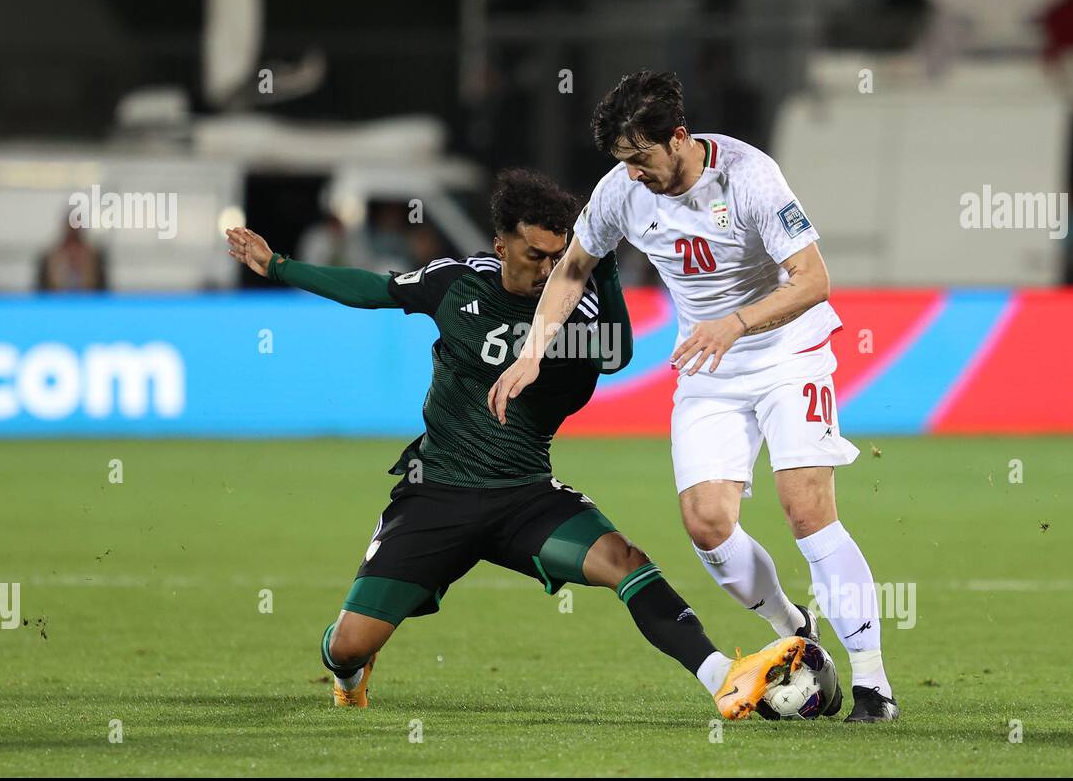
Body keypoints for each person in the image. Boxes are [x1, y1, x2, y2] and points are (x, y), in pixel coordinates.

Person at [225, 168, 813, 721]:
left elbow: (616, 356)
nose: (548, 269)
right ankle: (349, 672)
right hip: (437, 496)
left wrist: (599, 263)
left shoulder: (573, 314)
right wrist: (277, 266)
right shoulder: (454, 284)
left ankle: (723, 677)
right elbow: (373, 289)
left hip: (524, 497)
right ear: (502, 245)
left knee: (625, 563)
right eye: (535, 256)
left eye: (559, 257)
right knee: (349, 644)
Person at [489, 72, 898, 722]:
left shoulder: (750, 179)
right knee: (707, 523)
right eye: (622, 161)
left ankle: (874, 685)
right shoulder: (621, 189)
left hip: (788, 354)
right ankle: (797, 630)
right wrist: (534, 349)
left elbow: (813, 279)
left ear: (679, 137)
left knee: (805, 508)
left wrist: (735, 322)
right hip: (708, 369)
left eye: (641, 157)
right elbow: (573, 265)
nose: (633, 173)